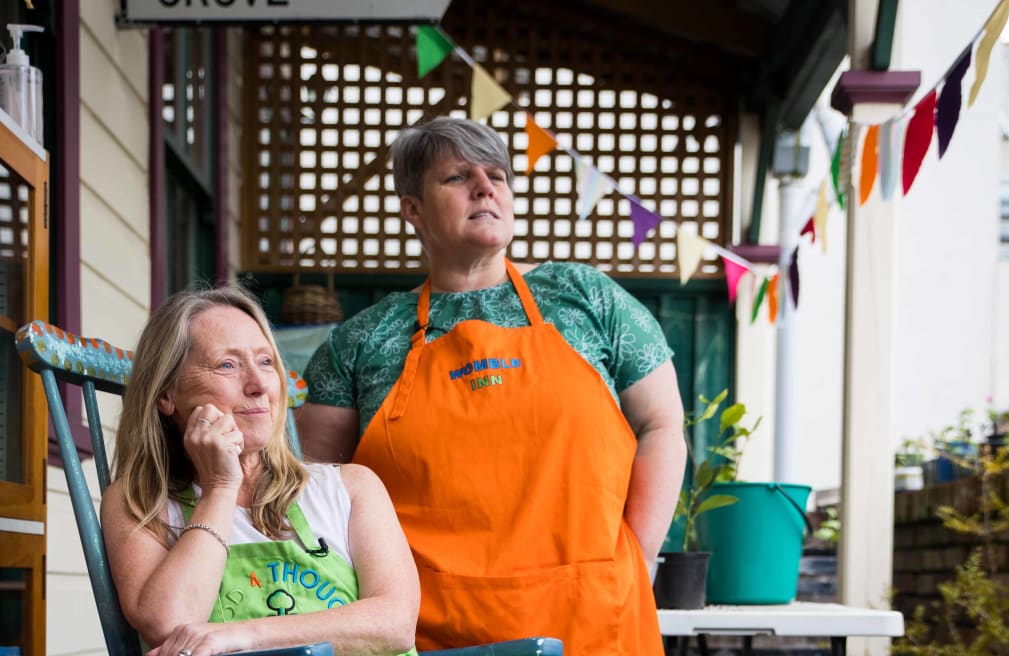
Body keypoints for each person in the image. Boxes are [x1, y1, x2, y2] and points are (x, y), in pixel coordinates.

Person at [298, 116, 687, 654]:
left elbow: (662, 422)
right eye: (458, 177)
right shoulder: (363, 341)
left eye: (497, 175)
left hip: (594, 618)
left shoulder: (586, 298)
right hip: (428, 631)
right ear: (412, 207)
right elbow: (319, 490)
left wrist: (641, 555)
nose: (486, 186)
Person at [100, 286, 420, 656]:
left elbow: (396, 624)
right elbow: (168, 624)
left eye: (266, 362)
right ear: (167, 394)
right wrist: (220, 486)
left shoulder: (350, 488)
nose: (259, 385)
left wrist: (241, 635)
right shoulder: (141, 502)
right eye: (227, 365)